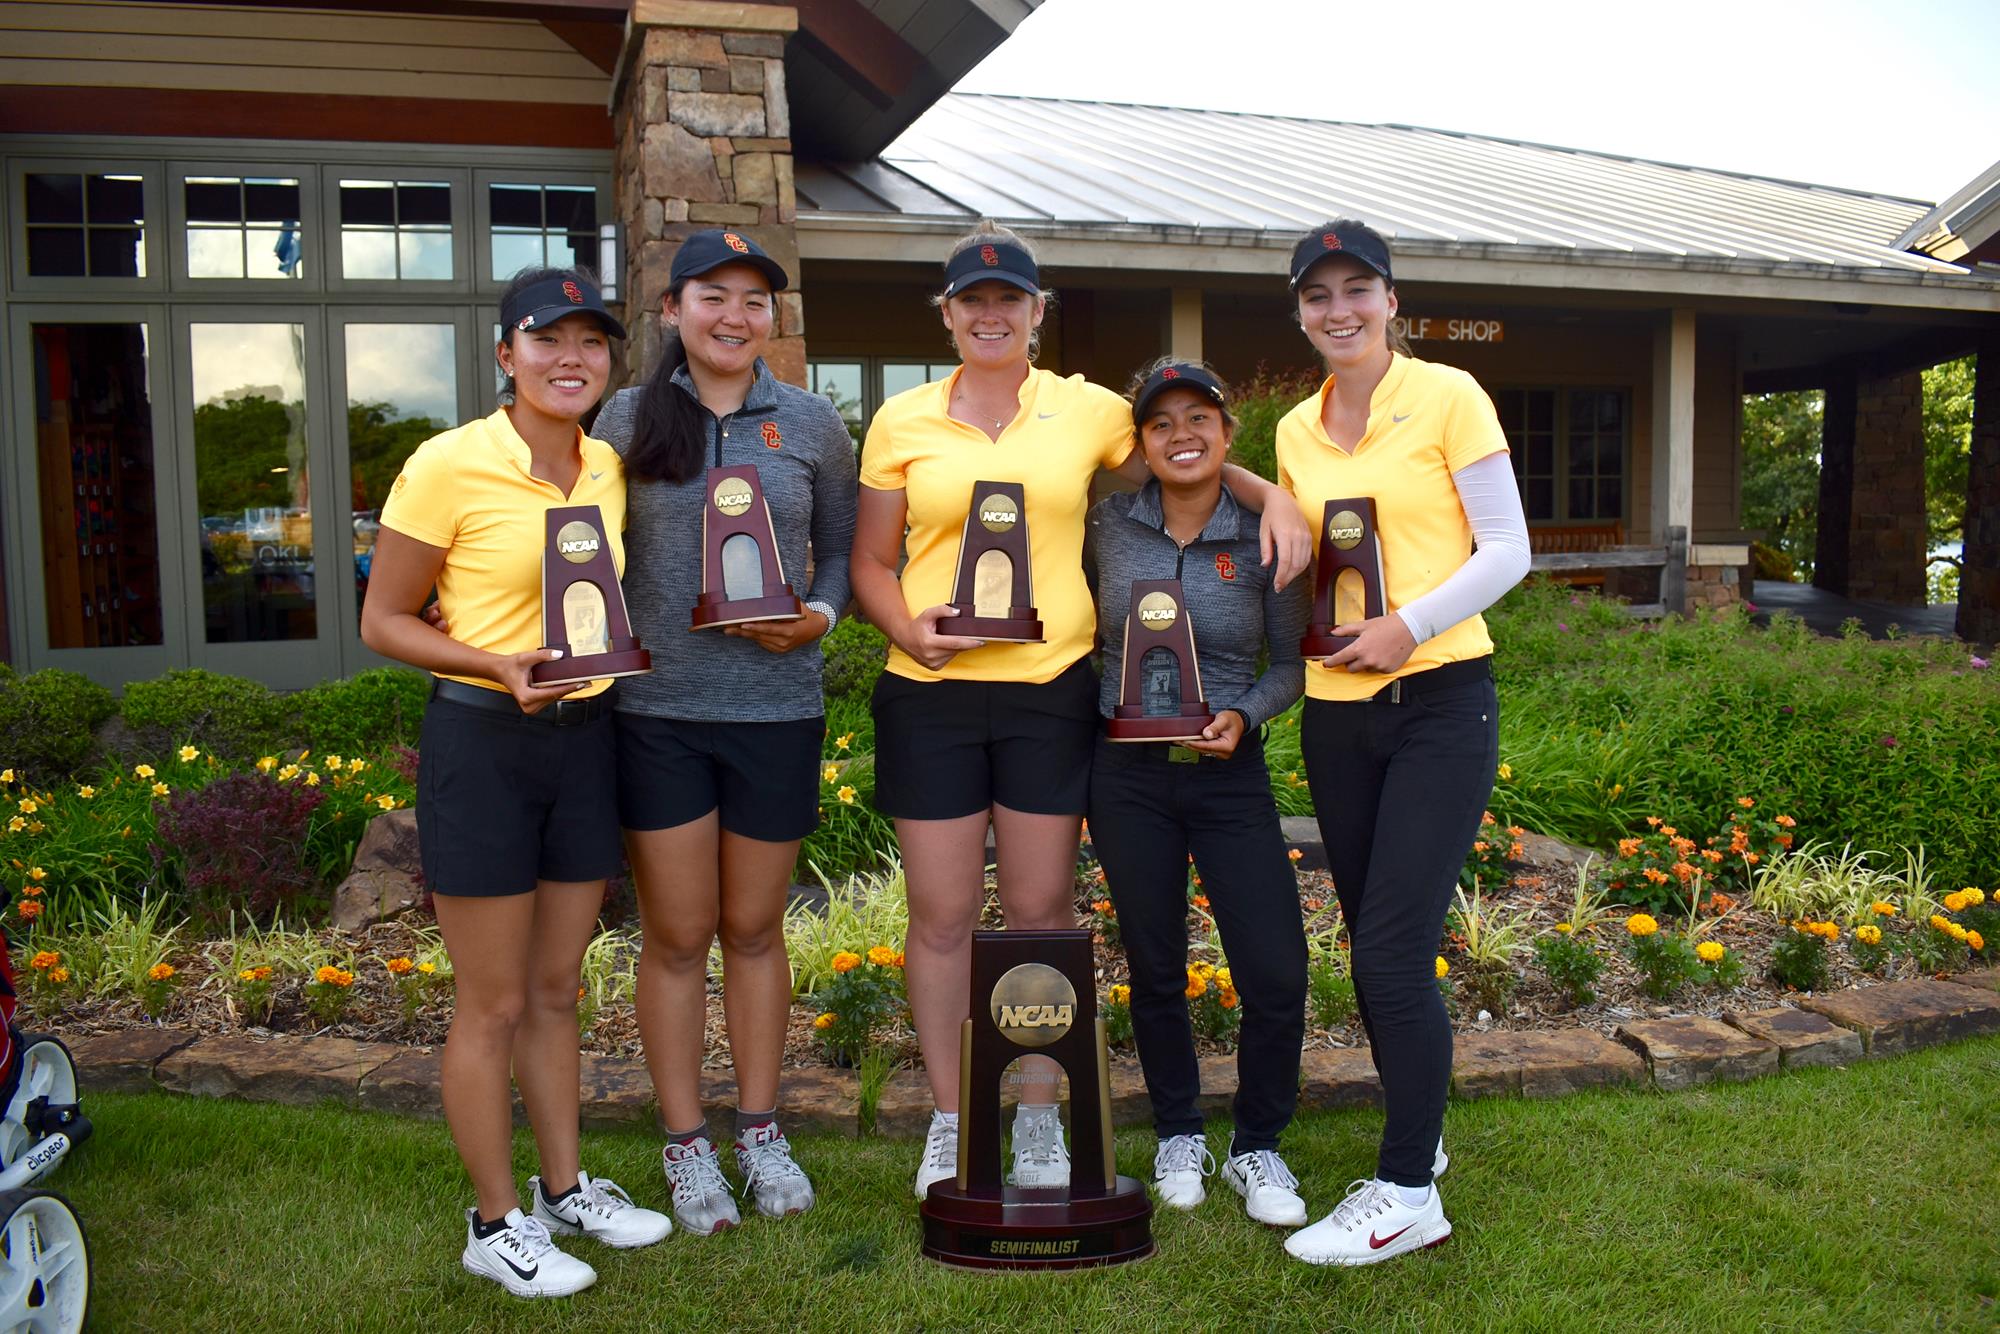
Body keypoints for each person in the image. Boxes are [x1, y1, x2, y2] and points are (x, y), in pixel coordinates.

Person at [849, 221, 1313, 1198]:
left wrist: (1267, 491)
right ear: (945, 314)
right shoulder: (899, 421)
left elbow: (1180, 449)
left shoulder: (1089, 409)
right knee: (938, 918)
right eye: (970, 300)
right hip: (928, 694)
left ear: (1035, 312)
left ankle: (1035, 1115)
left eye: (1007, 299)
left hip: (1048, 693)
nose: (989, 314)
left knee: (1038, 916)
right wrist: (908, 626)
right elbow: (867, 561)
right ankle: (950, 1117)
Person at [363, 267, 671, 1299]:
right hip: (485, 743)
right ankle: (492, 1222)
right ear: (505, 355)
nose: (571, 358)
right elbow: (384, 620)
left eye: (591, 341)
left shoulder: (607, 467)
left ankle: (563, 1184)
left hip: (585, 739)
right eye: (548, 340)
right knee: (490, 1001)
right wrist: (493, 664)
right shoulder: (447, 463)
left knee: (553, 989)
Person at [1270, 220, 1531, 1266]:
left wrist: (1407, 625)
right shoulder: (1293, 426)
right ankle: (1417, 1139)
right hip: (1337, 713)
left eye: (1356, 289)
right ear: (1297, 310)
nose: (1338, 309)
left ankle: (1406, 1190)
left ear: (1389, 298)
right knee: (1375, 943)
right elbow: (1302, 545)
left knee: (1385, 947)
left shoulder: (1449, 394)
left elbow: (1506, 547)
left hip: (1437, 700)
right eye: (1317, 294)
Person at [590, 230, 856, 1234]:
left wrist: (818, 619)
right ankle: (685, 1143)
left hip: (777, 711)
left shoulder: (812, 423)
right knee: (675, 932)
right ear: (672, 311)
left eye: (754, 299)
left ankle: (756, 1127)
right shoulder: (621, 419)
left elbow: (835, 555)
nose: (734, 315)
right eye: (713, 296)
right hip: (656, 713)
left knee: (752, 927)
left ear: (770, 321)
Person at [1084, 360, 1312, 1226]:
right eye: (1161, 423)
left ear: (1228, 432)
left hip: (1226, 774)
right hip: (1126, 776)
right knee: (1154, 965)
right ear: (1139, 443)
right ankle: (1180, 1128)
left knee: (1275, 969)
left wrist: (1245, 716)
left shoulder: (1263, 534)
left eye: (1200, 419)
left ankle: (1258, 1147)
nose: (1182, 436)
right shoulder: (1108, 524)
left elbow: (1290, 666)